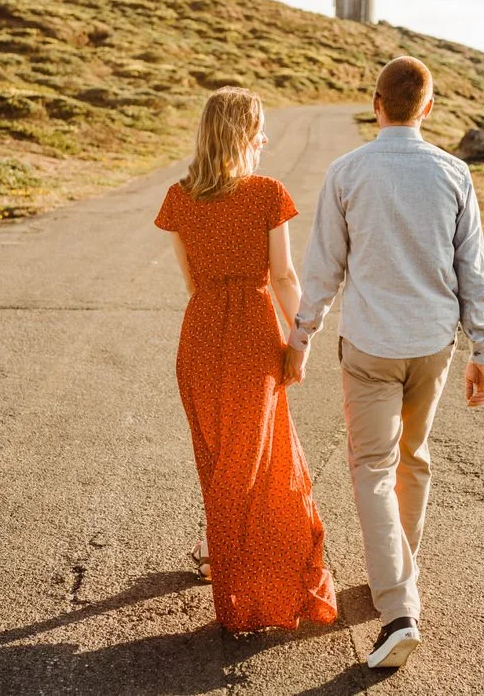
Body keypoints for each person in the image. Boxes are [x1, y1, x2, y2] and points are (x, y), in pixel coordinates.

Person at [287, 56, 484, 670]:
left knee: (373, 468)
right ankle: (397, 573)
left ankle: (399, 607)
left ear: (375, 102)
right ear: (427, 107)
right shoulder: (454, 173)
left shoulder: (348, 171)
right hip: (434, 342)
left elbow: (325, 265)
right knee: (414, 459)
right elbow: (472, 272)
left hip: (372, 345)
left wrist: (302, 335)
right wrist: (482, 349)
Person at [154, 87, 338, 633]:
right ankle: (257, 584)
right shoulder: (266, 194)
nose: (265, 138)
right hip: (253, 337)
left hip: (200, 338)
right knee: (260, 462)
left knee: (219, 461)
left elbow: (192, 282)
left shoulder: (178, 197)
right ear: (240, 133)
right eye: (259, 127)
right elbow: (282, 277)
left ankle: (229, 567)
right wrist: (300, 339)